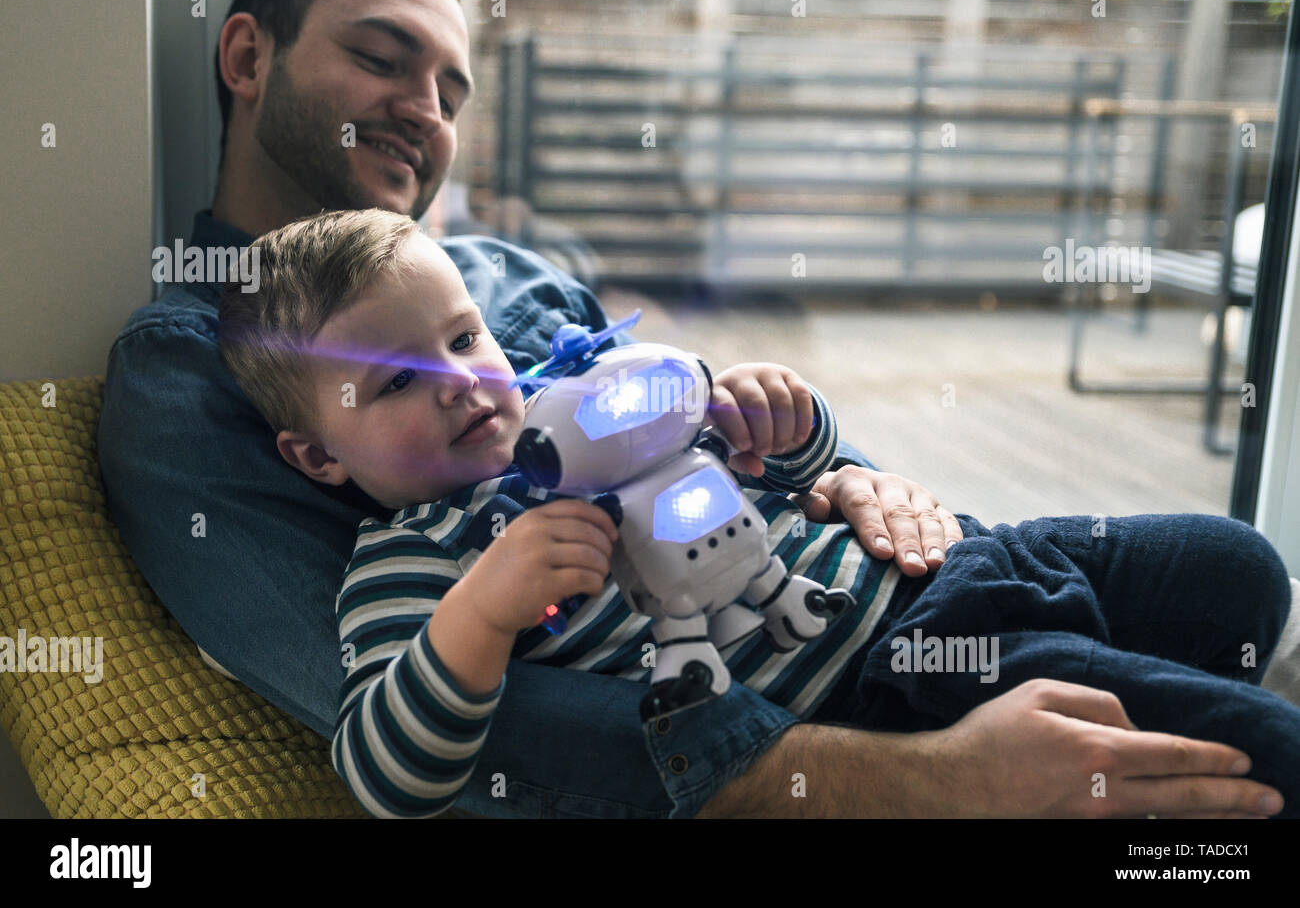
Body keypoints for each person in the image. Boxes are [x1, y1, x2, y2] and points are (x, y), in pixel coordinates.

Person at [218, 208, 1297, 819]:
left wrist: (792, 424)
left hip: (962, 561)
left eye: (461, 340)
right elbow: (381, 770)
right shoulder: (415, 560)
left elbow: (796, 473)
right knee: (1219, 736)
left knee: (1232, 567)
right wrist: (481, 613)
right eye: (395, 382)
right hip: (907, 656)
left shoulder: (579, 394)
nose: (459, 383)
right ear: (315, 453)